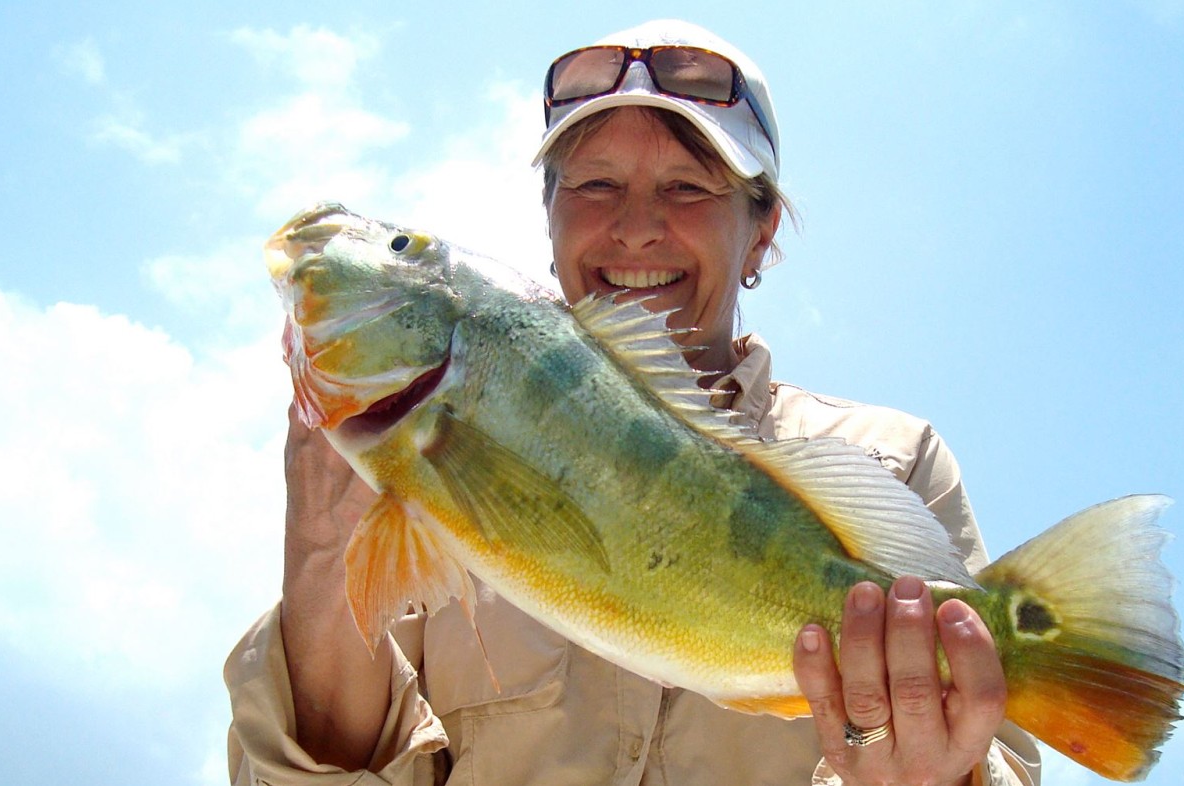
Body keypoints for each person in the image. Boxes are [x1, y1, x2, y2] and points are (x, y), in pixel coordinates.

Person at [226, 19, 1040, 786]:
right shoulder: (425, 452)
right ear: (547, 215)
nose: (637, 227)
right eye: (595, 184)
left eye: (687, 187)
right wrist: (322, 544)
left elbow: (999, 757)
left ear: (761, 232)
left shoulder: (891, 459)